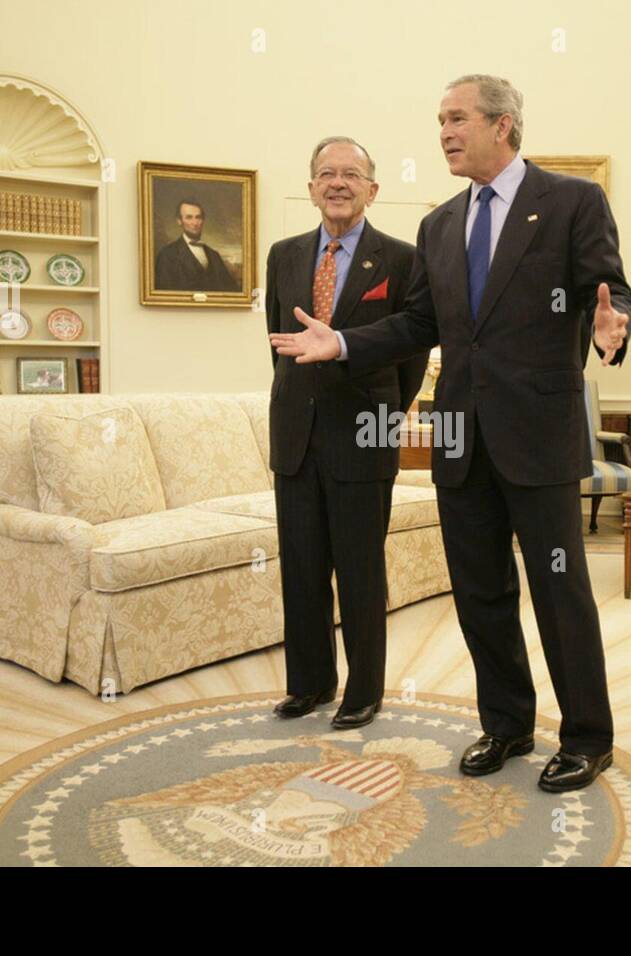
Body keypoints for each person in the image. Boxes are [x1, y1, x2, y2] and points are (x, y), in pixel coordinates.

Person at [270, 75, 631, 792]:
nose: (444, 131)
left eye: (457, 118)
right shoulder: (439, 225)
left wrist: (611, 324)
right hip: (462, 440)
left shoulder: (569, 202)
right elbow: (418, 326)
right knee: (480, 591)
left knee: (559, 592)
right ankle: (505, 723)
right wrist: (342, 343)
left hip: (537, 437)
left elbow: (608, 287)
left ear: (503, 125)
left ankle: (588, 737)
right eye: (440, 119)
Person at [267, 136, 428, 728]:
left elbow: (412, 348)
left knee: (360, 570)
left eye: (351, 175)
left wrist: (383, 415)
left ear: (372, 189)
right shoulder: (283, 254)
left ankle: (364, 691)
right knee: (301, 566)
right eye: (326, 174)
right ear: (311, 187)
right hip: (295, 435)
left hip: (365, 433)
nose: (338, 183)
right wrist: (296, 404)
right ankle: (309, 684)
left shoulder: (403, 258)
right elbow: (281, 345)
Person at [154, 198, 238, 291]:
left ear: (203, 220)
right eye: (189, 217)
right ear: (179, 221)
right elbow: (163, 293)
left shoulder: (214, 256)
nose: (195, 223)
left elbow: (231, 290)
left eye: (198, 217)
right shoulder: (167, 255)